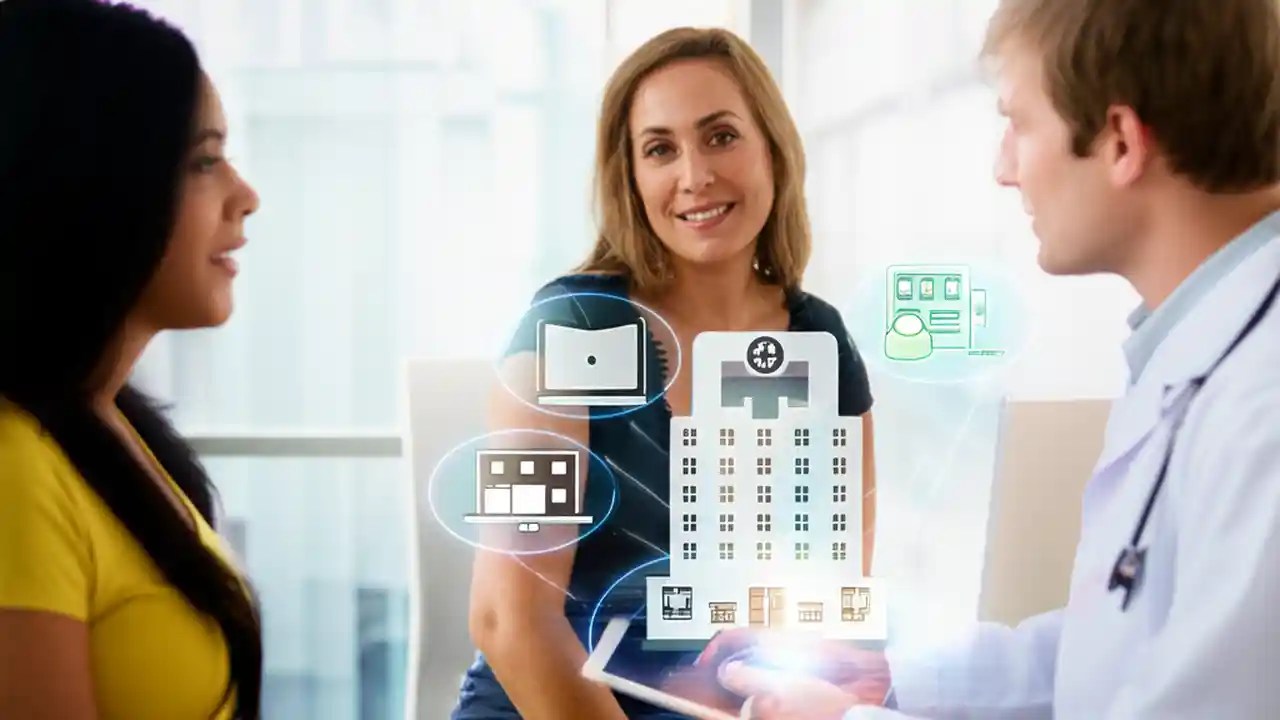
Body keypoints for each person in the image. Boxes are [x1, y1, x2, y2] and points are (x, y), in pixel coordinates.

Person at [702, 0, 1280, 718]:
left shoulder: (1262, 402)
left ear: (1121, 142)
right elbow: (1118, 647)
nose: (1004, 169)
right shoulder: (1201, 346)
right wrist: (888, 681)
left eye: (1018, 123)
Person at [455, 27, 879, 720]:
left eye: (720, 136)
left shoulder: (820, 341)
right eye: (660, 149)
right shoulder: (572, 328)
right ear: (632, 178)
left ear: (772, 148)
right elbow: (507, 617)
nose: (695, 176)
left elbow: (828, 604)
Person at [0, 1, 264, 718]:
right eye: (204, 161)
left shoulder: (112, 423)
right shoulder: (14, 469)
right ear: (90, 185)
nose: (246, 197)